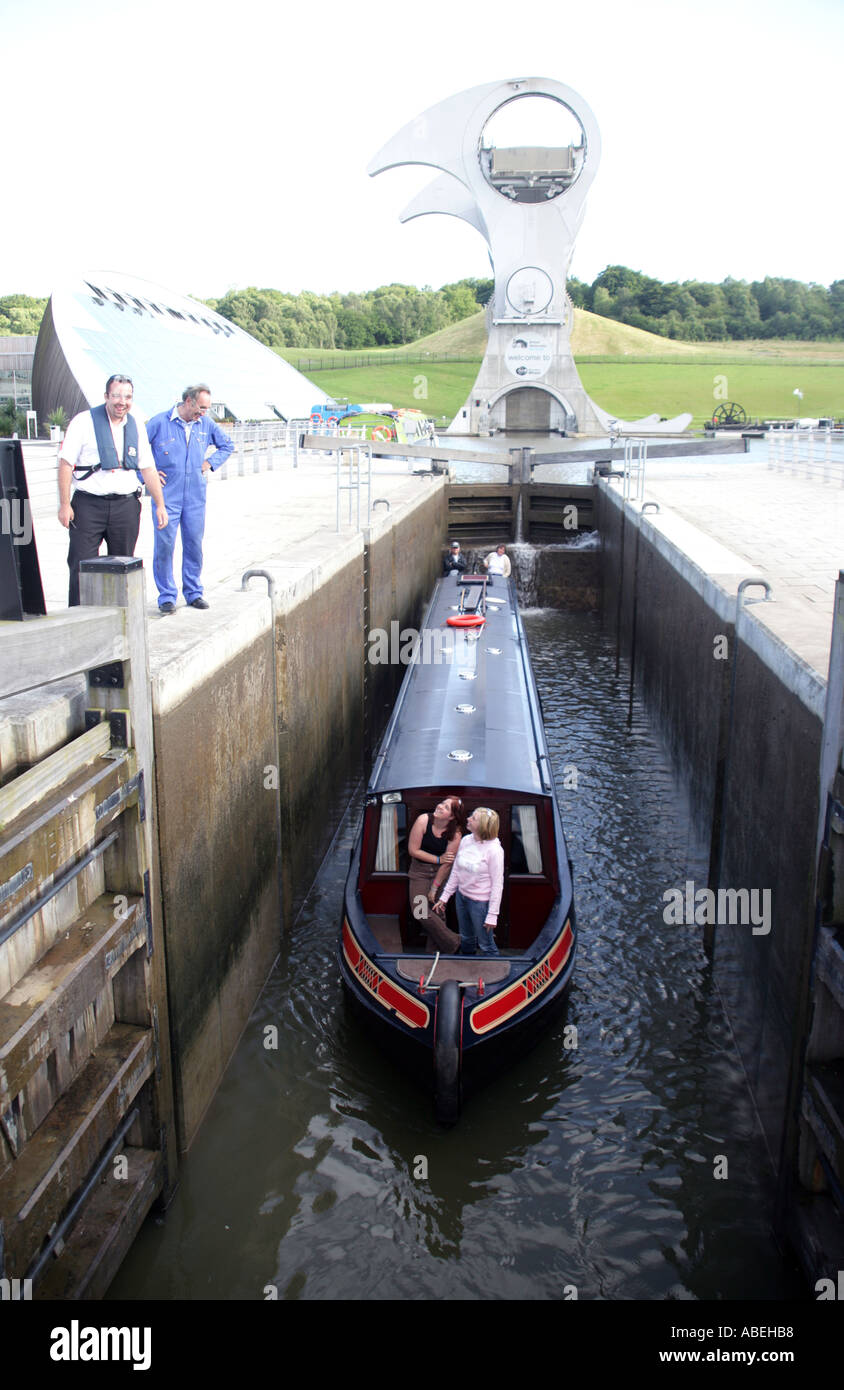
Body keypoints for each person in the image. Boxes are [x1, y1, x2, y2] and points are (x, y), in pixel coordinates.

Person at [58, 374, 168, 607]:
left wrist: (160, 505)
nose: (122, 401)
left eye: (127, 397)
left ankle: (119, 617)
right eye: (116, 395)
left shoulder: (136, 424)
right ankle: (79, 618)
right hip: (88, 505)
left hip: (125, 506)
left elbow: (148, 467)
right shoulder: (83, 422)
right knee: (81, 564)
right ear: (106, 396)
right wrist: (65, 504)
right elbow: (66, 464)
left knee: (123, 564)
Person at [145, 384, 234, 614]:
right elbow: (136, 452)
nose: (203, 412)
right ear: (187, 401)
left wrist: (210, 463)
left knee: (194, 545)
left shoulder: (205, 424)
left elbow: (227, 445)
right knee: (164, 545)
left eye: (207, 408)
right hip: (167, 497)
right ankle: (166, 596)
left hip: (195, 496)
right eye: (201, 407)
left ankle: (193, 592)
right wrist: (147, 476)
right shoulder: (159, 423)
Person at [432, 807, 504, 956]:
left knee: (486, 943)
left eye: (474, 818)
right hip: (462, 897)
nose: (468, 819)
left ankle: (493, 970)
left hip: (480, 904)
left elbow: (497, 884)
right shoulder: (466, 840)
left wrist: (492, 915)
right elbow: (456, 871)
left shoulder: (495, 851)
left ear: (483, 826)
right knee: (466, 938)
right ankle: (467, 966)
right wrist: (444, 898)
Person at [408, 796, 466, 953]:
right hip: (419, 871)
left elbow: (447, 864)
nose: (440, 807)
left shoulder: (455, 834)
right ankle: (454, 942)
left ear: (452, 816)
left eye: (446, 807)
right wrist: (437, 859)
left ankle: (433, 953)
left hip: (440, 873)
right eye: (442, 803)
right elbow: (413, 850)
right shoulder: (423, 820)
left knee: (438, 911)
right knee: (419, 910)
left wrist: (435, 887)